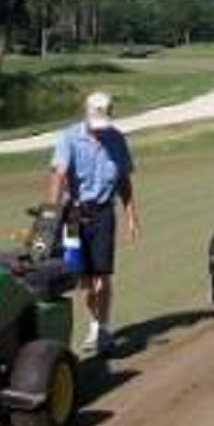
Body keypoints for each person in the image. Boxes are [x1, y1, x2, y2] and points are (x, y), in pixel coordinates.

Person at [49, 92, 141, 353]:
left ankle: (100, 328)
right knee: (84, 280)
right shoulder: (68, 138)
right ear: (85, 113)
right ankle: (96, 324)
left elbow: (124, 180)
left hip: (103, 214)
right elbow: (58, 176)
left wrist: (132, 215)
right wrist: (51, 214)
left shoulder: (117, 139)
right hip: (74, 215)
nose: (99, 132)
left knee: (103, 275)